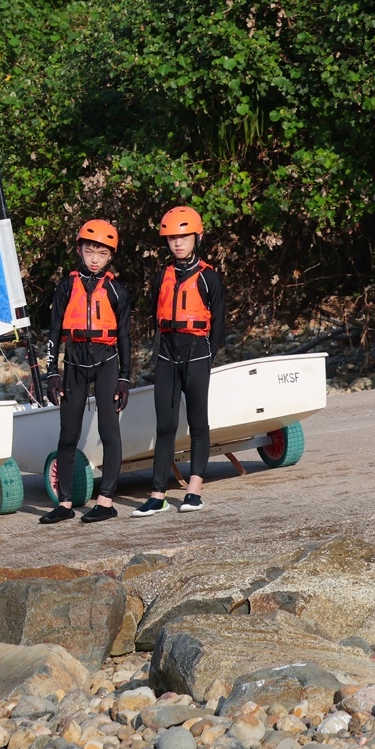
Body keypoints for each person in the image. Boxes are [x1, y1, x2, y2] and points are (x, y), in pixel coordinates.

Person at [39, 221, 134, 525]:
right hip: (75, 363)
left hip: (107, 362)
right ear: (79, 250)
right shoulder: (66, 287)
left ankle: (106, 502)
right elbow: (54, 331)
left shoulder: (117, 290)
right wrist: (52, 372)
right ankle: (65, 503)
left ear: (110, 256)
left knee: (109, 431)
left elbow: (125, 336)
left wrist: (125, 377)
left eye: (102, 254)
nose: (95, 259)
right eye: (90, 251)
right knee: (68, 433)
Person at [140, 206, 226, 516]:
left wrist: (207, 358)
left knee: (198, 423)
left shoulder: (209, 277)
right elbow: (154, 314)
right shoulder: (161, 277)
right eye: (172, 238)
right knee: (165, 425)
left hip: (197, 353)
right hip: (167, 354)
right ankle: (157, 495)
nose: (178, 243)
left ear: (196, 238)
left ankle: (194, 490)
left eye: (184, 237)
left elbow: (219, 324)